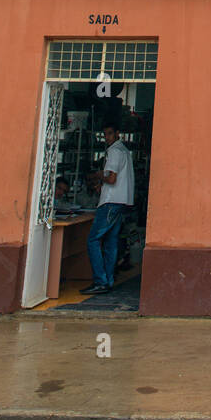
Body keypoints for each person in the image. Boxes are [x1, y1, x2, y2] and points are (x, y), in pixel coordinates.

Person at [81, 122, 134, 296]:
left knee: (93, 240)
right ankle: (108, 280)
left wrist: (98, 176)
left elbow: (111, 179)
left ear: (117, 133)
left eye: (110, 134)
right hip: (121, 202)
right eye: (105, 134)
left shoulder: (114, 151)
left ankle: (100, 280)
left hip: (110, 202)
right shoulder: (125, 151)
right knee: (111, 242)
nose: (107, 137)